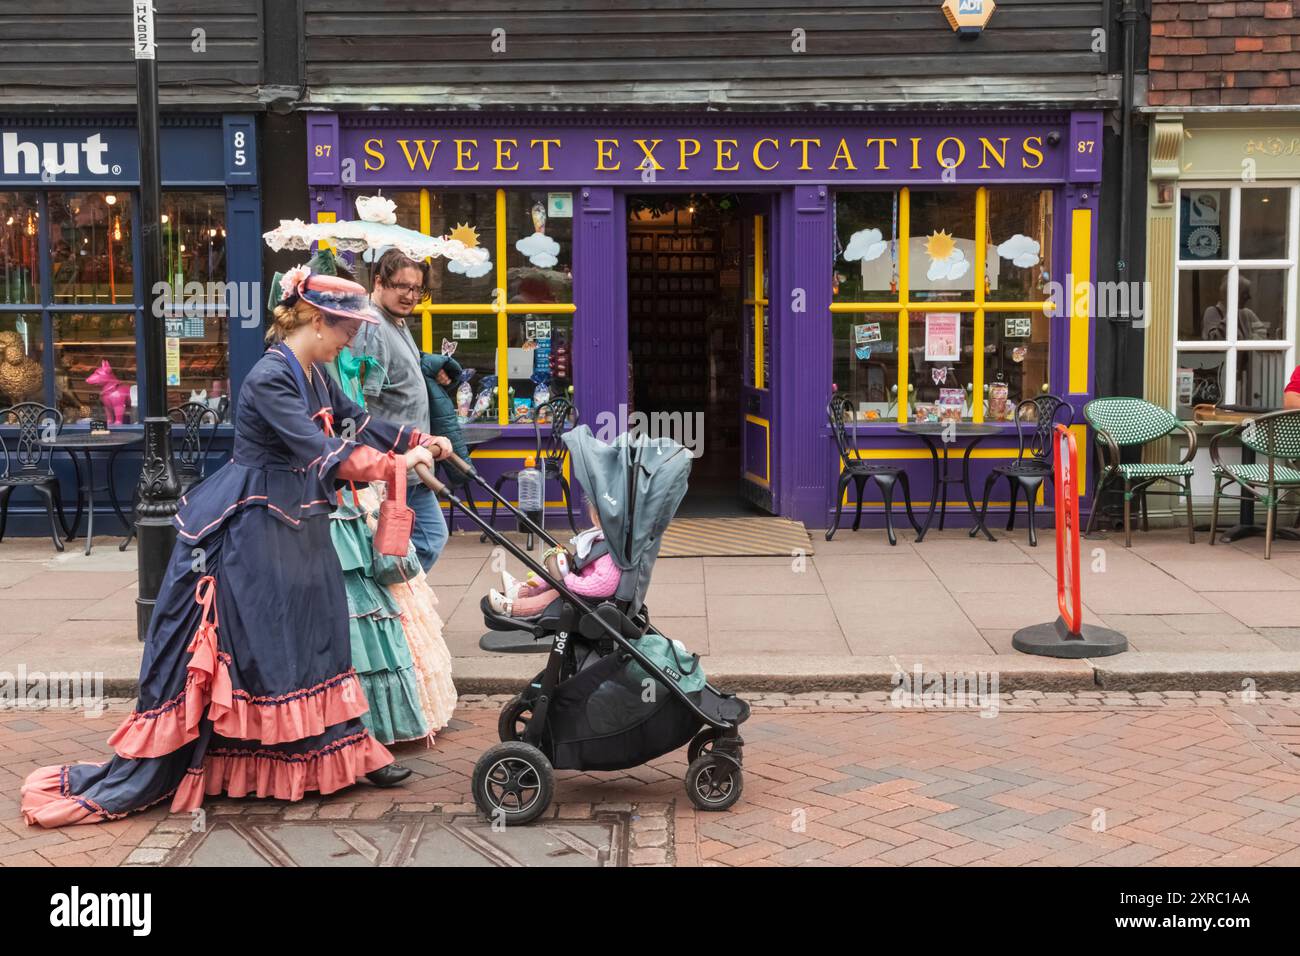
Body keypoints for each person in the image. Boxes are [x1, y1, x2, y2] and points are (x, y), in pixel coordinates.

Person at [20, 265, 450, 827]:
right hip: (256, 523)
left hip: (299, 515)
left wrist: (416, 439)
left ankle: (333, 754)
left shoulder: (316, 372)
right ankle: (267, 760)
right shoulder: (271, 377)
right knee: (267, 644)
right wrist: (394, 464)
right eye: (347, 327)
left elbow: (356, 421)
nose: (353, 337)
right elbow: (316, 448)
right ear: (318, 322)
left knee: (315, 635)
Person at [353, 248, 448, 572]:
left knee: (428, 539)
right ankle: (394, 605)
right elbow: (362, 403)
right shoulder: (372, 328)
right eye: (403, 286)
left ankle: (399, 608)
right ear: (379, 281)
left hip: (413, 462)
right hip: (392, 464)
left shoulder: (395, 320)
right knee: (409, 546)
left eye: (418, 289)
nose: (411, 296)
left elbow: (397, 373)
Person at [488, 499, 620, 618]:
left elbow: (602, 586)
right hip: (580, 579)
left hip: (588, 596)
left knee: (553, 596)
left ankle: (512, 608)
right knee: (551, 571)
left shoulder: (611, 555)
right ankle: (523, 590)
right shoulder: (603, 539)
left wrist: (567, 579)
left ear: (596, 517)